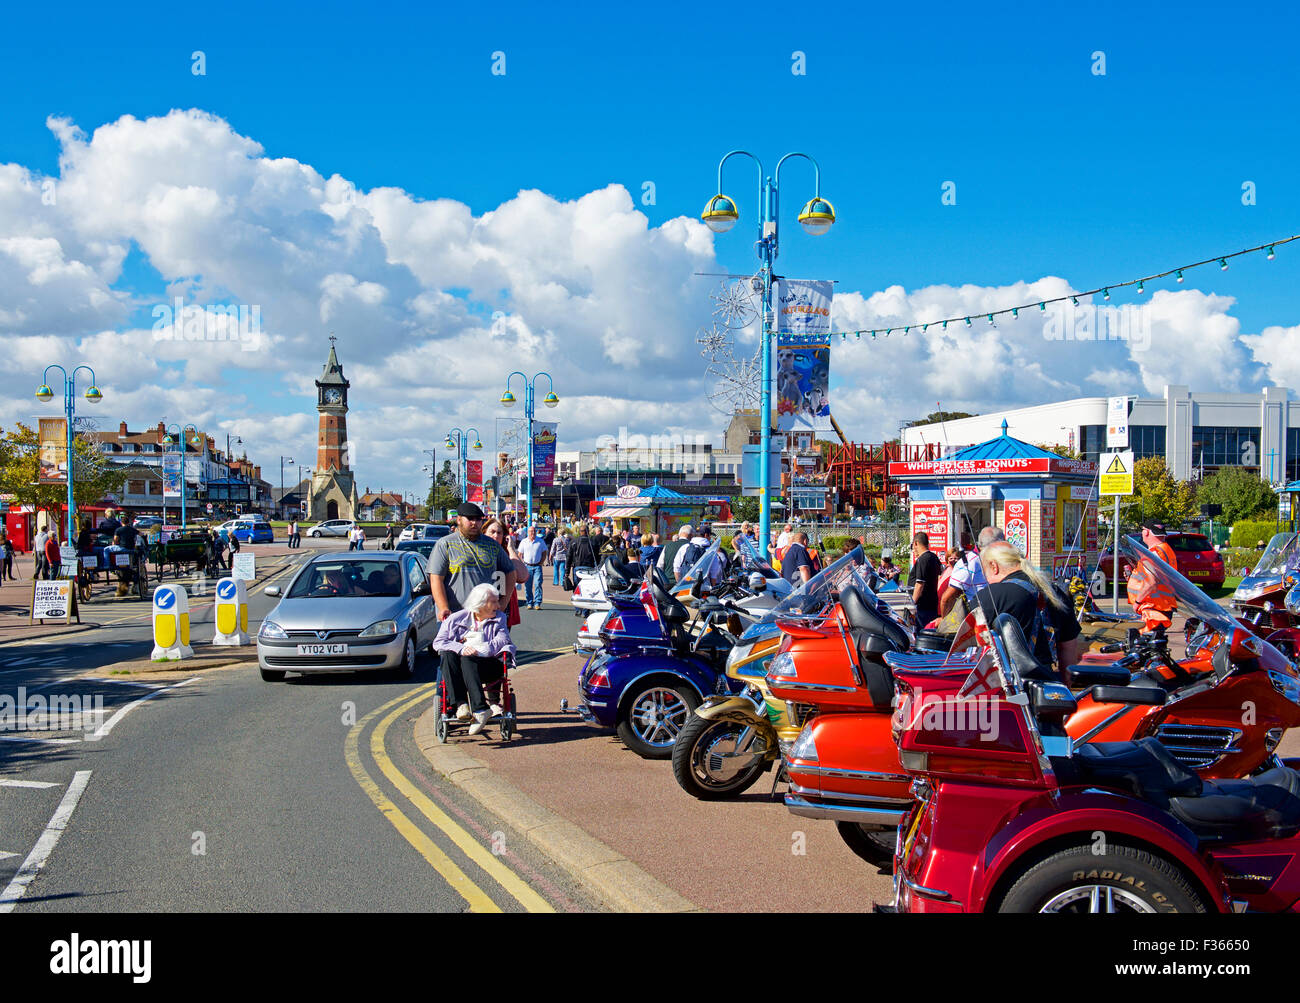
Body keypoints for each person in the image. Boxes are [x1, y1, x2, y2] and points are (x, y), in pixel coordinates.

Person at [978, 540, 1082, 676]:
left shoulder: (991, 595)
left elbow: (961, 639)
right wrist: (1065, 687)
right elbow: (1068, 647)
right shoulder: (1054, 592)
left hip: (1009, 683)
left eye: (984, 572)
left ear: (994, 566)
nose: (986, 579)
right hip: (1045, 679)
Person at [433, 583, 517, 735]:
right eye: (494, 602)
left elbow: (503, 639)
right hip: (461, 669)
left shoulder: (500, 618)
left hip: (489, 666)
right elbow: (438, 642)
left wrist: (481, 650)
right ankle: (461, 705)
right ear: (481, 604)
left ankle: (480, 708)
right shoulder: (456, 619)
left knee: (468, 658)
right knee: (447, 654)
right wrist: (461, 648)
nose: (499, 605)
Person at [430, 503, 518, 626]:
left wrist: (502, 604)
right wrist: (443, 607)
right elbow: (436, 579)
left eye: (478, 519)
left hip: (485, 618)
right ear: (459, 519)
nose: (474, 523)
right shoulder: (445, 544)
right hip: (453, 617)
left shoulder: (492, 545)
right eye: (470, 519)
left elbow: (511, 573)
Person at [1126, 521, 1179, 633]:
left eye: (1142, 530)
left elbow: (1151, 582)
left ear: (1147, 532)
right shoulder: (1166, 550)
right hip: (1162, 606)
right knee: (1154, 645)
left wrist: (1137, 602)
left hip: (1154, 608)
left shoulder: (1154, 553)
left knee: (1145, 647)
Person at [939, 527, 1004, 617]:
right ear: (993, 546)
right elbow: (947, 598)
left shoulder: (988, 560)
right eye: (1001, 546)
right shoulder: (970, 562)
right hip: (975, 618)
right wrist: (945, 623)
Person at [482, 517, 525, 627]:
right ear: (484, 533)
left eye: (499, 533)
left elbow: (522, 576)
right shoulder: (477, 551)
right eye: (492, 532)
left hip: (503, 608)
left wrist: (510, 548)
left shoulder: (507, 554)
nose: (495, 536)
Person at [908, 532, 942, 627]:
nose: (913, 549)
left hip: (922, 606)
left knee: (921, 631)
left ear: (916, 543)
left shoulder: (923, 559)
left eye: (913, 546)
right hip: (932, 603)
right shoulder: (934, 557)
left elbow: (919, 584)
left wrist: (912, 604)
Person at [519, 525, 547, 610]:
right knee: (528, 586)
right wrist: (521, 564)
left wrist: (541, 562)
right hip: (527, 567)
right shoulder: (524, 541)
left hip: (537, 567)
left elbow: (544, 552)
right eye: (531, 531)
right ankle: (529, 602)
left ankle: (537, 603)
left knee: (538, 584)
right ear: (528, 533)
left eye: (534, 531)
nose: (533, 533)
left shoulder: (540, 541)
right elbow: (520, 554)